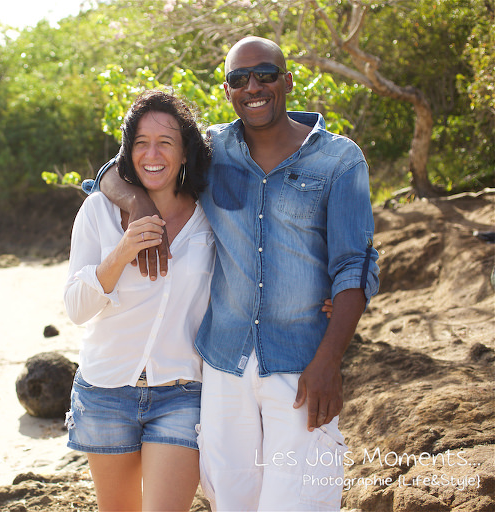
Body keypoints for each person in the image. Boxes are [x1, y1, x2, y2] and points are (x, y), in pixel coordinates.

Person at [86, 36, 380, 511]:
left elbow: (356, 264)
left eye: (265, 74)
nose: (253, 86)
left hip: (302, 363)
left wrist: (330, 360)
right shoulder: (213, 149)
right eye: (239, 79)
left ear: (287, 80)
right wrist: (138, 202)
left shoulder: (340, 160)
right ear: (227, 91)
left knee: (299, 501)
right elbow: (118, 169)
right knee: (233, 502)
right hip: (224, 367)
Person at [63, 89, 213, 511]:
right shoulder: (98, 212)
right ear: (127, 153)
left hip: (182, 391)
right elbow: (76, 308)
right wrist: (122, 252)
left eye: (166, 142)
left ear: (185, 153)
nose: (153, 154)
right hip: (106, 391)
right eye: (141, 143)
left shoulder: (209, 217)